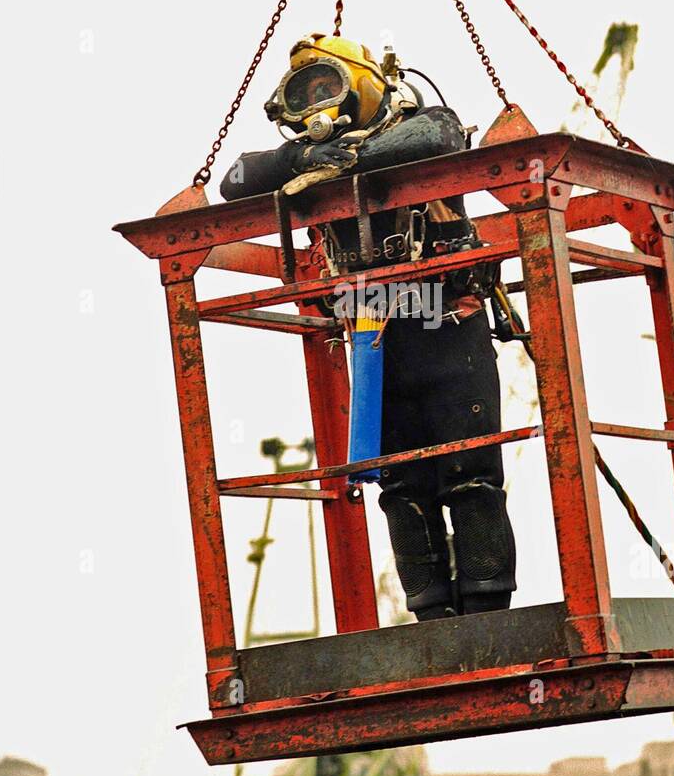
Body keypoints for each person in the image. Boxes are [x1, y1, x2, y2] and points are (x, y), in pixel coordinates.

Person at [220, 33, 516, 621]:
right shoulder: (305, 159)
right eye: (309, 94)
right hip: (377, 335)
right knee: (401, 483)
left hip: (448, 326)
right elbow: (234, 178)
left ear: (363, 85)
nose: (321, 104)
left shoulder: (422, 127)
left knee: (470, 469)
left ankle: (488, 610)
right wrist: (306, 161)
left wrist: (343, 162)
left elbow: (440, 135)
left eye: (330, 86)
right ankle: (431, 613)